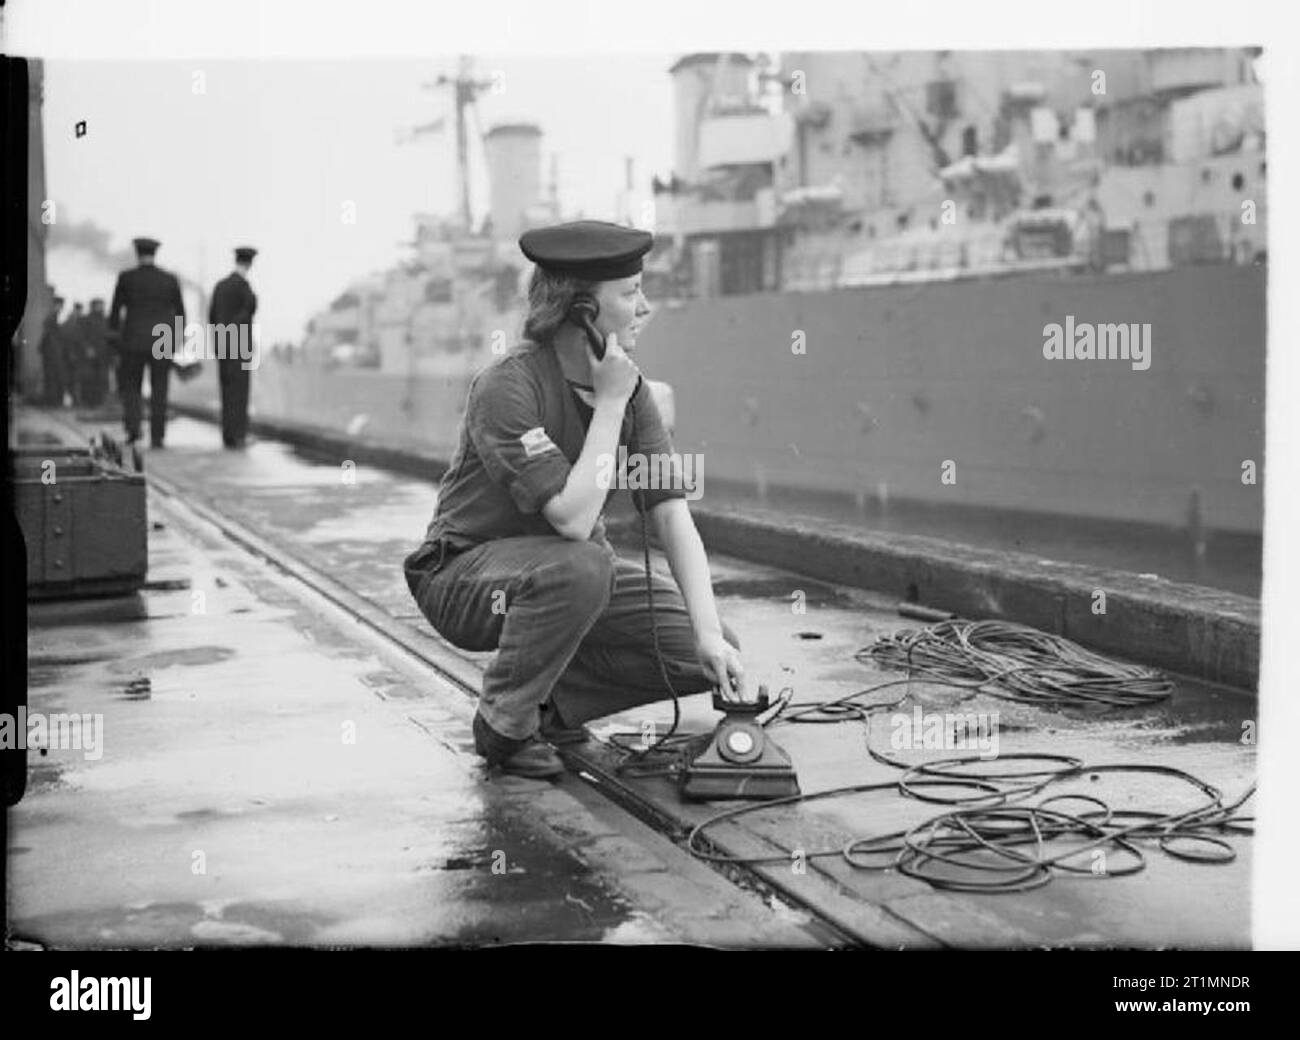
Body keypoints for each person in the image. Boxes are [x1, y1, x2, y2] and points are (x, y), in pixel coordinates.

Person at [403, 219, 747, 779]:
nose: (645, 308)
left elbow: (672, 514)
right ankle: (504, 723)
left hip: (572, 576)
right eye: (630, 293)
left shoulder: (631, 392)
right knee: (582, 563)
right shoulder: (508, 386)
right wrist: (609, 405)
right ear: (582, 309)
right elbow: (572, 518)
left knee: (700, 650)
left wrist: (709, 637)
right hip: (462, 575)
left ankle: (551, 706)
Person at [109, 237, 185, 447]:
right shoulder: (169, 279)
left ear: (137, 254)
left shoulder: (126, 278)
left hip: (133, 340)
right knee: (160, 388)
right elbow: (180, 313)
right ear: (154, 254)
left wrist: (115, 341)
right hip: (162, 340)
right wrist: (177, 339)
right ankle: (157, 435)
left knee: (132, 387)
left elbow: (115, 312)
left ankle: (134, 430)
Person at [209, 246, 258, 448]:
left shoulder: (220, 287)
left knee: (226, 392)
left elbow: (212, 316)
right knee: (240, 392)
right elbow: (247, 313)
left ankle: (228, 434)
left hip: (222, 345)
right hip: (239, 346)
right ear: (250, 263)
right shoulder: (245, 288)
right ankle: (238, 435)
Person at [38, 294, 67, 406]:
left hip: (52, 352)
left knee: (53, 377)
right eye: (60, 305)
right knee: (52, 377)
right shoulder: (52, 317)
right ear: (56, 305)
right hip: (52, 353)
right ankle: (52, 402)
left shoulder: (54, 317)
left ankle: (52, 402)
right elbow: (49, 336)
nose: (61, 308)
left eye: (61, 306)